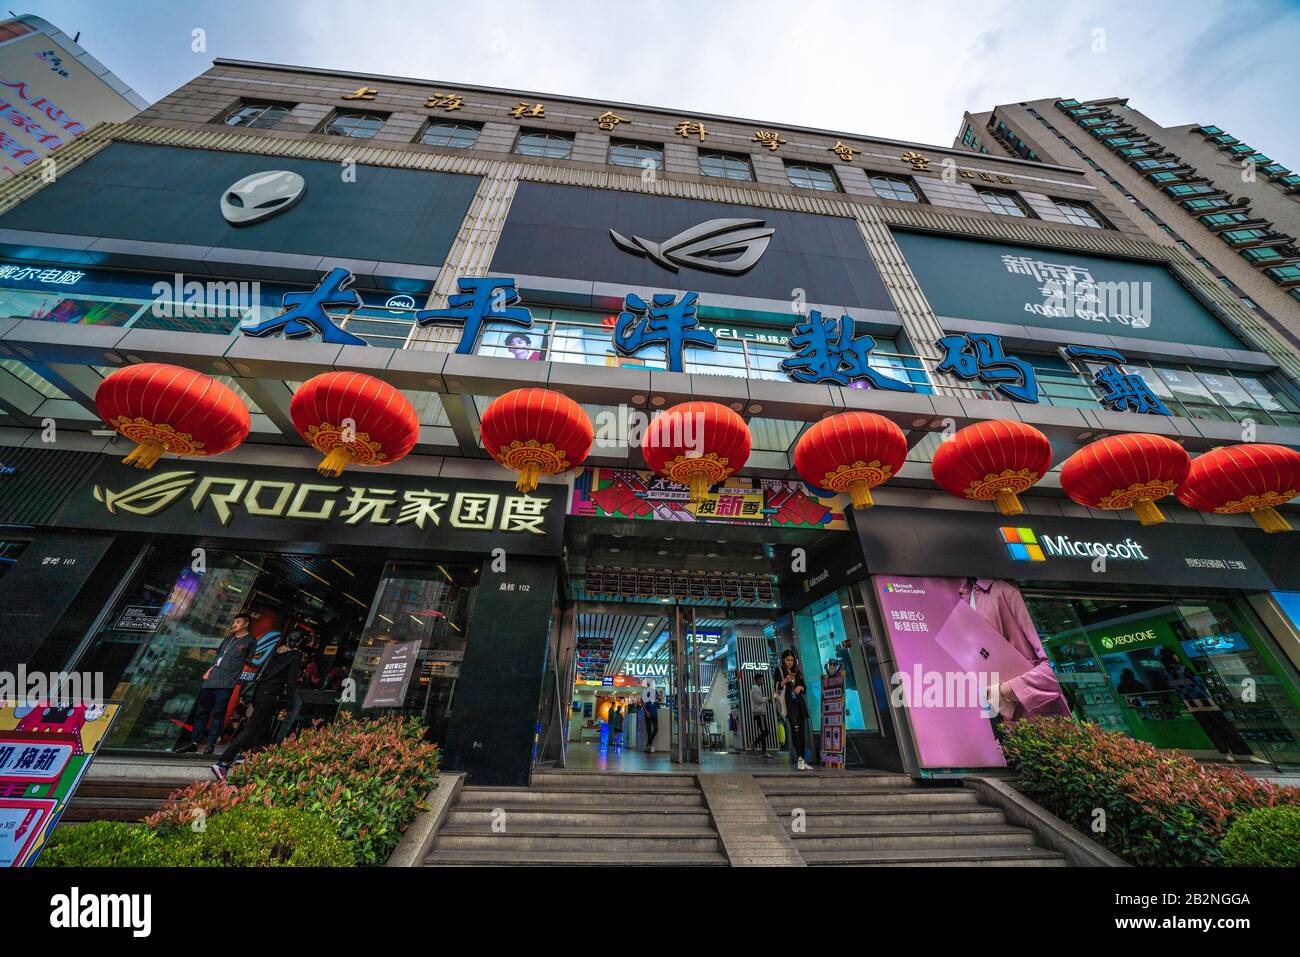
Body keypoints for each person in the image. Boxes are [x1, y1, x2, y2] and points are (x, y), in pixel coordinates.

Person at [211, 633, 302, 779]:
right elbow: (291, 682)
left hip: (259, 692)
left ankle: (244, 755)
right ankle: (223, 762)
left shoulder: (277, 651)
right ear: (300, 641)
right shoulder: (294, 657)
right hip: (270, 694)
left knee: (262, 726)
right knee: (252, 728)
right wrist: (290, 703)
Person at [177, 612, 257, 755]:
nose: (234, 624)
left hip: (226, 683)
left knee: (218, 714)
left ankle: (210, 744)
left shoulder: (250, 641)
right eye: (233, 622)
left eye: (238, 622)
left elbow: (251, 661)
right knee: (201, 712)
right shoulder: (227, 639)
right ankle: (194, 742)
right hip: (211, 680)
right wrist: (210, 670)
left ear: (246, 624)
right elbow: (219, 658)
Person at [775, 650, 813, 771]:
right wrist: (785, 681)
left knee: (802, 733)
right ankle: (800, 759)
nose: (790, 662)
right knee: (795, 731)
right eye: (788, 660)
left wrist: (800, 686)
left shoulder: (798, 671)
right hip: (789, 705)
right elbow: (776, 687)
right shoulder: (779, 670)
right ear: (783, 660)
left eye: (792, 660)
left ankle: (803, 759)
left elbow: (804, 687)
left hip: (800, 705)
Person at [749, 673, 770, 754]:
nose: (763, 681)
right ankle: (754, 743)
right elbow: (759, 700)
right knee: (765, 732)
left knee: (763, 732)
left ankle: (764, 751)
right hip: (759, 713)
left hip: (760, 713)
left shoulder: (757, 688)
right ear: (757, 680)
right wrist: (767, 698)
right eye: (761, 679)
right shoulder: (755, 689)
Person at [641, 679, 660, 753]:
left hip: (654, 712)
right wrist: (646, 711)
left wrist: (657, 697)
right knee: (649, 729)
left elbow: (660, 699)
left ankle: (649, 742)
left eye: (650, 683)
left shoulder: (655, 691)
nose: (649, 684)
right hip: (648, 713)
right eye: (648, 683)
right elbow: (642, 702)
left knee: (656, 729)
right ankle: (651, 746)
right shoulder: (645, 692)